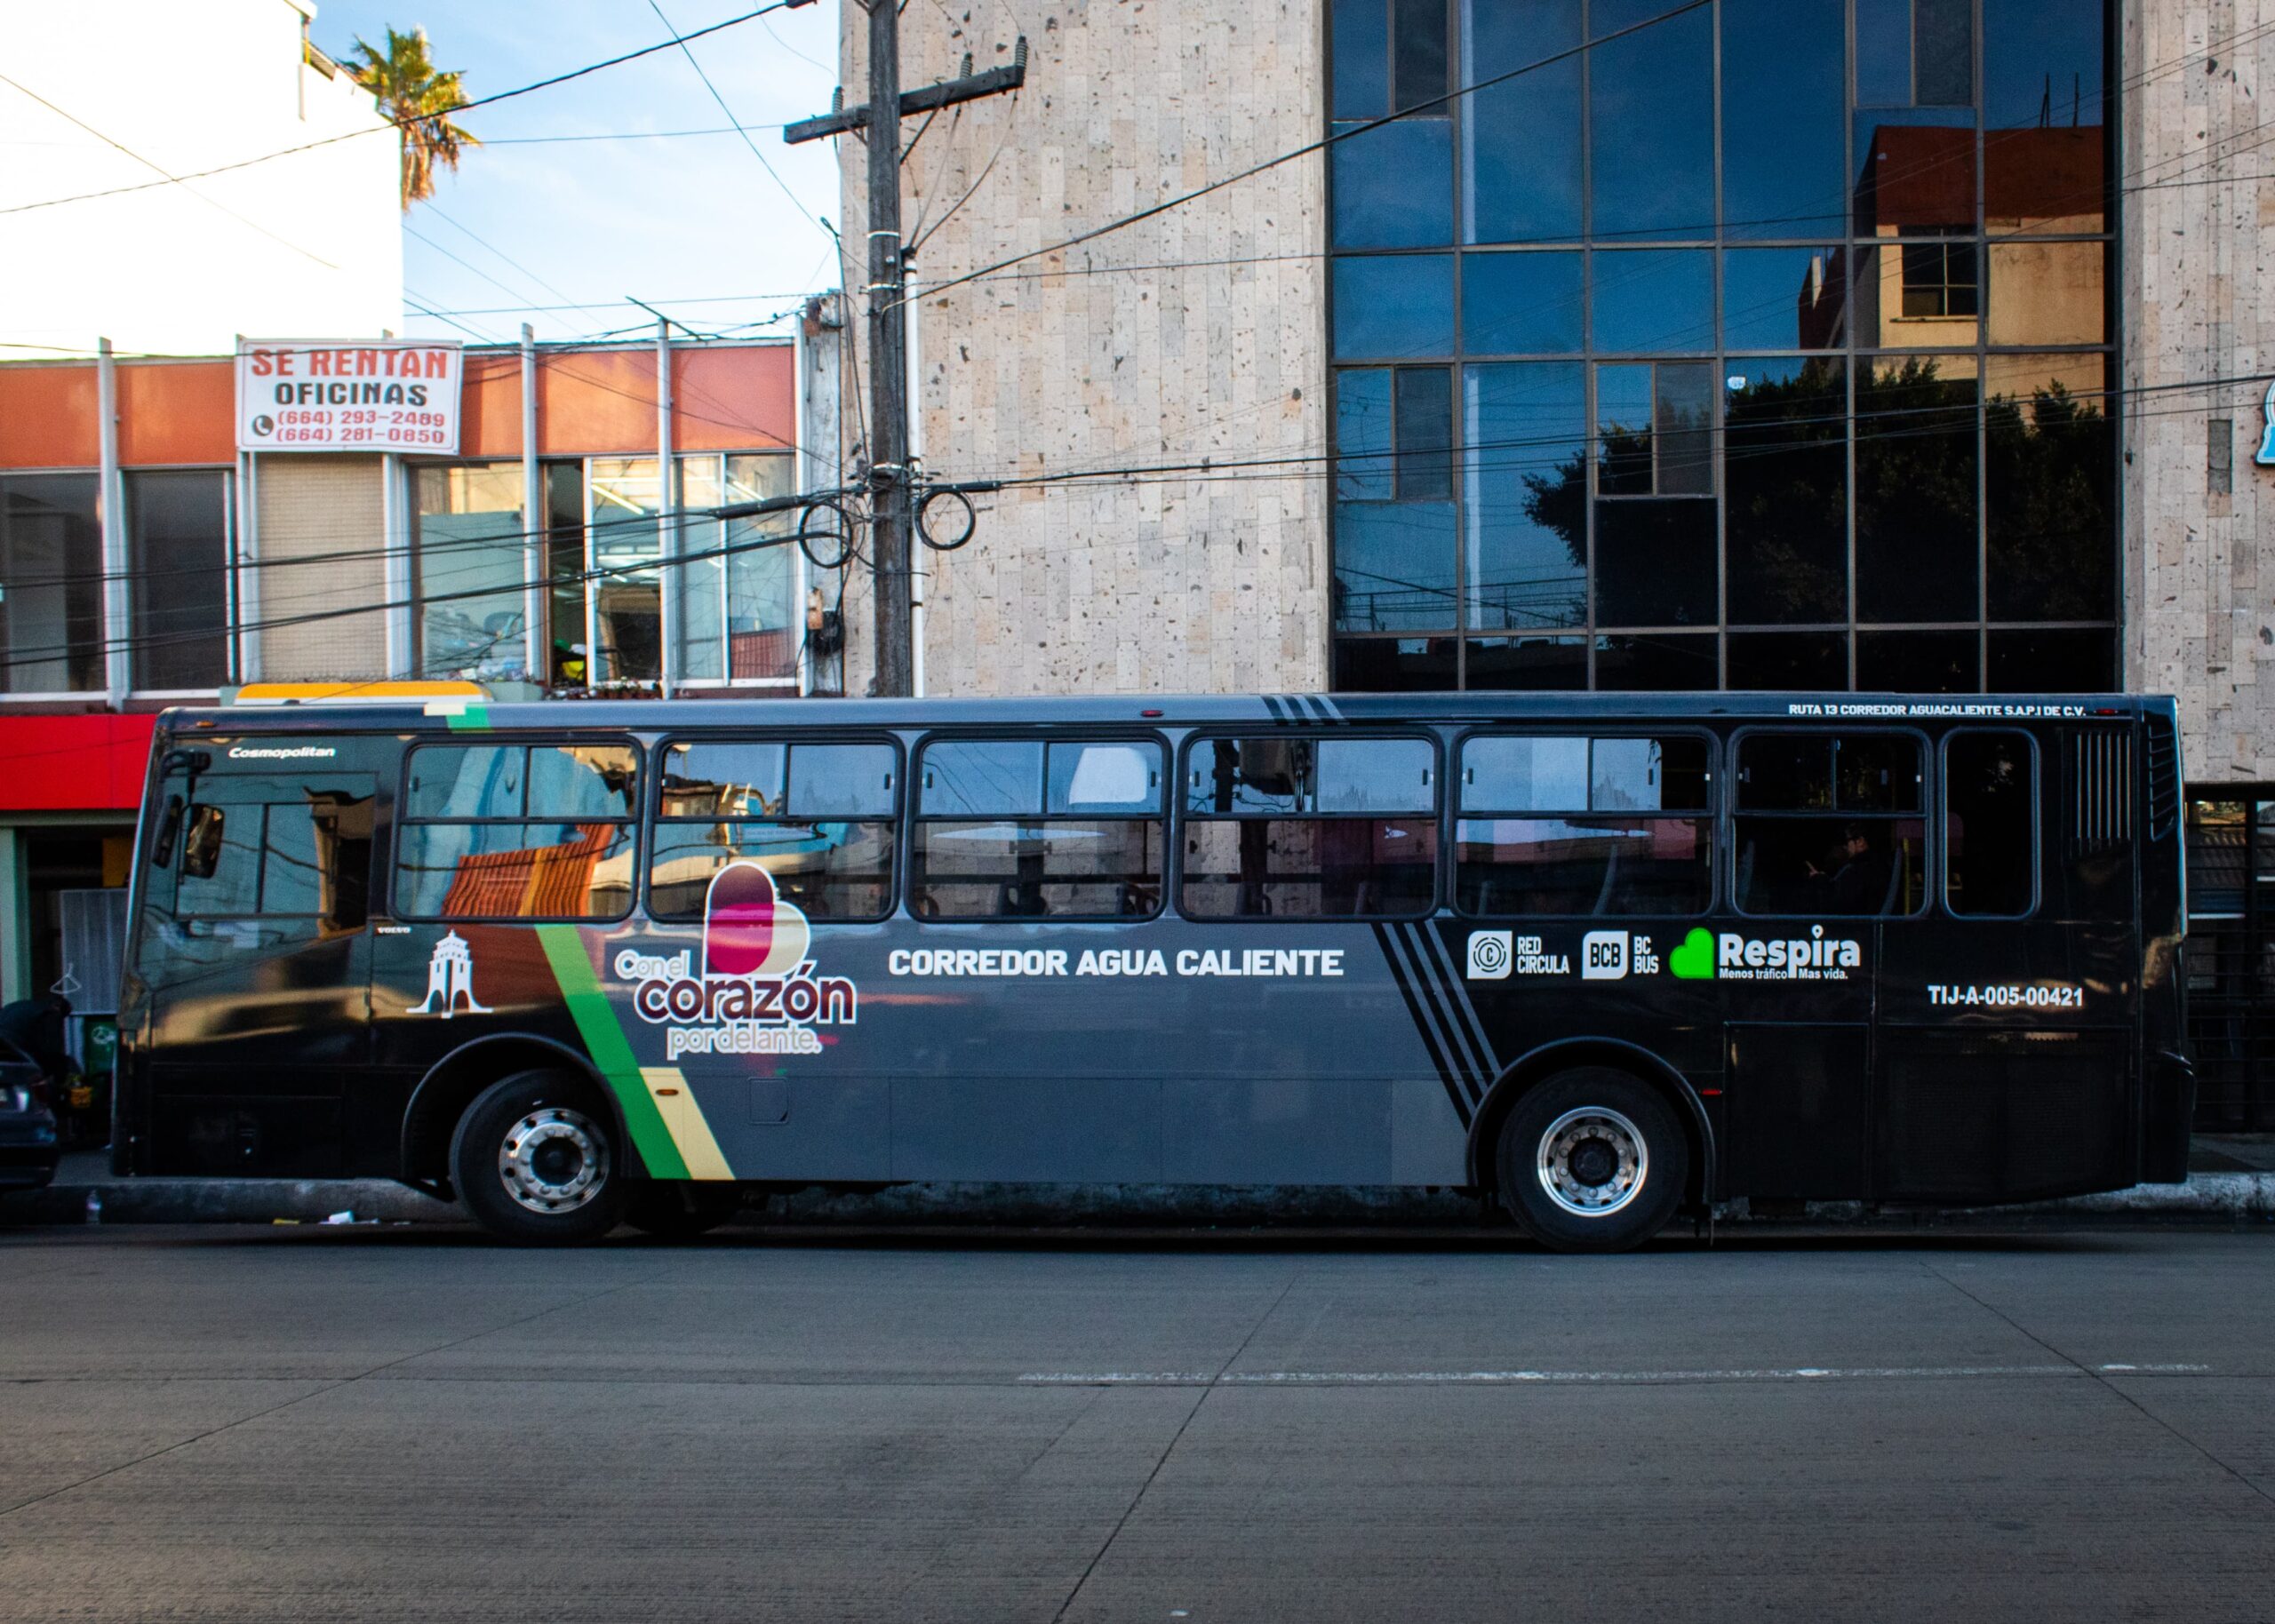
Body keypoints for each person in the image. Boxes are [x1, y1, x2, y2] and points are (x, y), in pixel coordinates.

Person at [1808, 823, 1892, 914]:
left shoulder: (1860, 869)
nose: (1845, 847)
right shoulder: (1877, 865)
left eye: (1846, 841)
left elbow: (1841, 902)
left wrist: (1821, 880)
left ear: (1860, 841)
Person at [0, 992, 73, 1084]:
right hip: (15, 1042)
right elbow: (52, 1046)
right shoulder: (50, 1013)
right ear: (57, 1007)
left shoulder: (24, 1006)